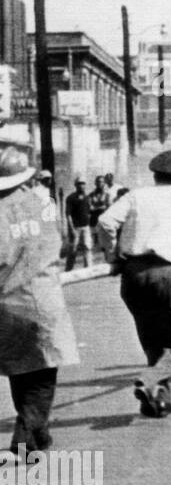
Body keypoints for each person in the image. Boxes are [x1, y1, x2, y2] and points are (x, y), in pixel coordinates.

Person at [96, 150, 171, 418]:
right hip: (168, 275)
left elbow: (105, 221)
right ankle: (148, 382)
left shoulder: (136, 196)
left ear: (154, 175)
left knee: (153, 341)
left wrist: (112, 254)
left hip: (134, 276)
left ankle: (155, 401)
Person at [0, 145, 78, 459]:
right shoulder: (44, 203)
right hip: (42, 298)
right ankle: (26, 439)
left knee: (21, 370)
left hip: (5, 303)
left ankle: (38, 431)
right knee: (43, 372)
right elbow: (66, 242)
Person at [64, 176, 94, 270]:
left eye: (83, 184)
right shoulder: (71, 198)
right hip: (75, 228)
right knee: (73, 250)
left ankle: (88, 269)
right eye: (79, 184)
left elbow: (89, 211)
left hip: (86, 227)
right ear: (76, 185)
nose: (82, 186)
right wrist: (71, 229)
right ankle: (68, 270)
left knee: (87, 247)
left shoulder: (87, 197)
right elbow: (68, 215)